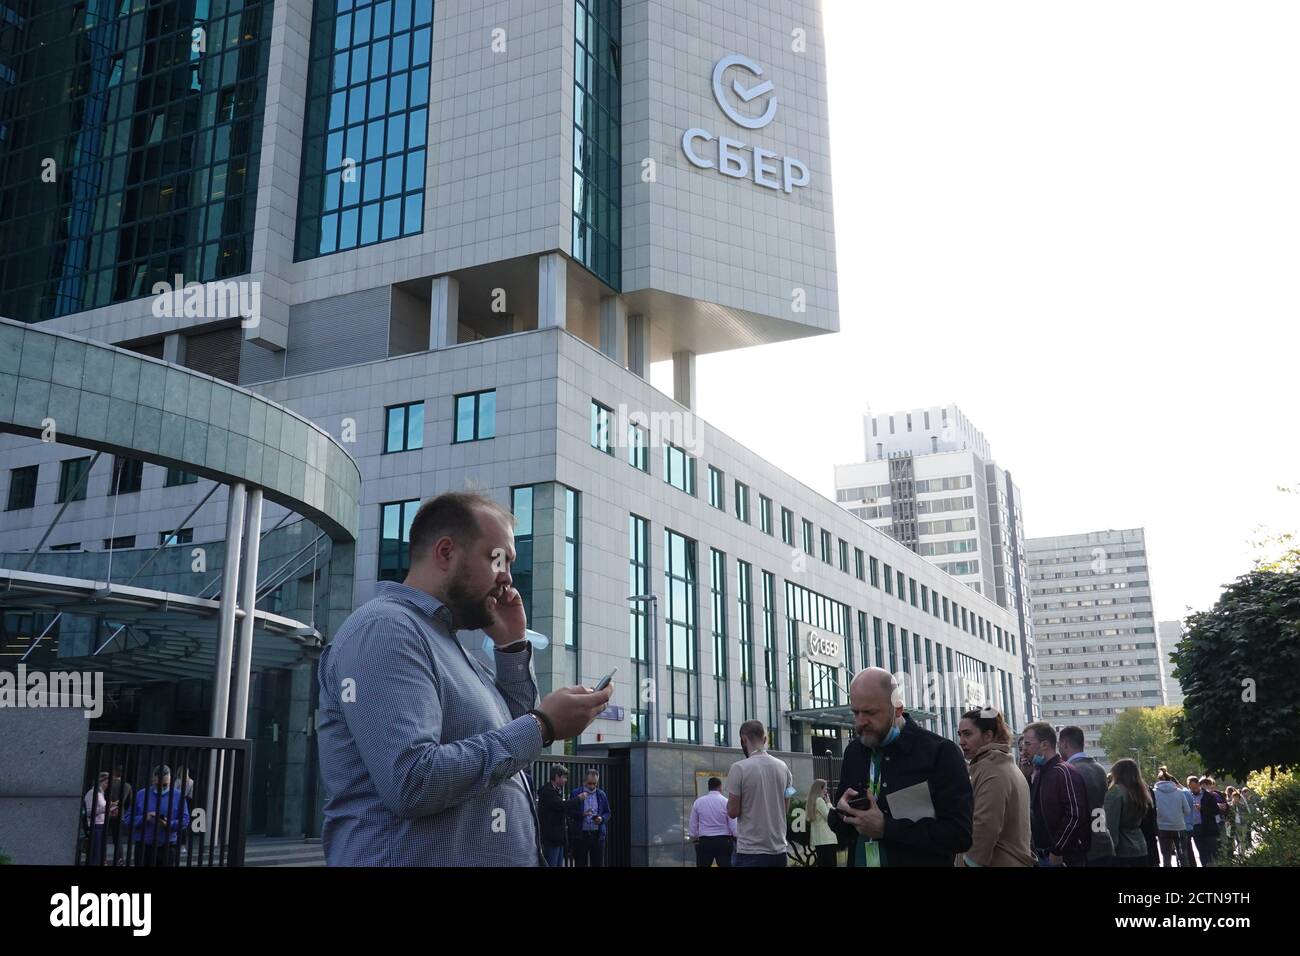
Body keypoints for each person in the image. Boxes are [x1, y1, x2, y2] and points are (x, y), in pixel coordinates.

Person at [316, 491, 612, 866]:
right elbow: (412, 783)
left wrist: (511, 647)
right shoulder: (386, 630)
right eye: (498, 558)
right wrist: (544, 725)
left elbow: (510, 748)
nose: (507, 576)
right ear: (445, 553)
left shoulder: (447, 644)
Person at [828, 668, 972, 867]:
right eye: (855, 712)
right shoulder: (854, 752)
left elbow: (960, 835)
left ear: (897, 708)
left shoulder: (940, 753)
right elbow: (842, 829)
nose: (860, 722)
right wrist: (841, 814)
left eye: (870, 712)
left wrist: (886, 828)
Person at [956, 707, 1033, 867]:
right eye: (960, 734)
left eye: (968, 734)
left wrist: (970, 863)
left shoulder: (992, 769)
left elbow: (985, 826)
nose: (962, 741)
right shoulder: (1003, 764)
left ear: (988, 736)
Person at [725, 719, 795, 867]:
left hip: (751, 851)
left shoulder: (738, 768)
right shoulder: (784, 768)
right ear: (764, 739)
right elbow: (786, 804)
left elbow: (732, 811)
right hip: (779, 851)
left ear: (743, 739)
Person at [1020, 721, 1089, 866]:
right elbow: (1032, 809)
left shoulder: (1063, 772)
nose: (1023, 750)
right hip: (1042, 855)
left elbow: (1074, 815)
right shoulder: (1041, 773)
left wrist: (1057, 849)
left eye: (1028, 744)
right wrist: (1025, 777)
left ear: (1044, 745)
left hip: (1062, 858)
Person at [1057, 725, 1115, 867]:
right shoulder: (1099, 768)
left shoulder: (1069, 771)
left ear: (1064, 744)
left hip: (1084, 850)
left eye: (1059, 744)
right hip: (1104, 841)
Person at [125, 764, 190, 867]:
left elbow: (185, 820)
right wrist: (144, 818)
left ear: (170, 780)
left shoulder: (178, 796)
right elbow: (127, 818)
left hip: (167, 846)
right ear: (153, 780)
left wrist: (168, 824)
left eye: (165, 785)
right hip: (144, 847)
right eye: (158, 785)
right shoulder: (141, 794)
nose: (161, 788)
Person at [1105, 758, 1153, 866]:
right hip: (1141, 846)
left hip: (1123, 850)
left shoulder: (1115, 792)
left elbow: (1111, 825)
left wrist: (1110, 849)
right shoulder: (1141, 792)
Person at [689, 776, 737, 867]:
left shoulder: (698, 802)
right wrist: (735, 836)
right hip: (723, 841)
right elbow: (733, 823)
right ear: (720, 787)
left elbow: (693, 823)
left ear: (709, 787)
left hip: (705, 841)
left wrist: (694, 837)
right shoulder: (726, 802)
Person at [570, 770, 612, 867]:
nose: (592, 786)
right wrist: (582, 814)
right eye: (589, 783)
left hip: (597, 835)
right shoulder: (576, 793)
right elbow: (570, 812)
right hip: (581, 835)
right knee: (580, 863)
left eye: (594, 784)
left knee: (597, 863)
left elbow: (608, 812)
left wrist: (601, 819)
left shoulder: (601, 794)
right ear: (584, 782)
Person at [536, 764, 575, 867]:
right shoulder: (548, 792)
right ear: (557, 776)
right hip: (551, 839)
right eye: (564, 777)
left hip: (558, 838)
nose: (566, 780)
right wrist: (578, 799)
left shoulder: (555, 791)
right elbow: (561, 805)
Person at [1154, 768, 1190, 866]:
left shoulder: (1154, 793)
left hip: (1162, 828)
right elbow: (1187, 811)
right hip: (1179, 828)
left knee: (1166, 857)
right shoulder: (1179, 792)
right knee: (1183, 857)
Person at [806, 779, 839, 867]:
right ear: (819, 789)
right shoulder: (820, 801)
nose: (826, 790)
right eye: (825, 788)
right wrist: (829, 803)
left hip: (819, 841)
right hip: (827, 840)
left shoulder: (813, 801)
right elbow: (829, 817)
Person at [83, 772, 109, 866]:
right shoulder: (92, 793)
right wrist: (105, 809)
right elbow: (88, 812)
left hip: (101, 825)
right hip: (95, 826)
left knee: (100, 854)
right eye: (106, 783)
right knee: (95, 855)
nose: (107, 785)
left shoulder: (100, 793)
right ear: (100, 782)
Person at [1197, 776, 1223, 865]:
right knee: (1203, 854)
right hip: (1198, 829)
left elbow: (1215, 811)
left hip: (1210, 829)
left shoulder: (1210, 796)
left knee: (1214, 852)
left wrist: (1202, 808)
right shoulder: (1190, 795)